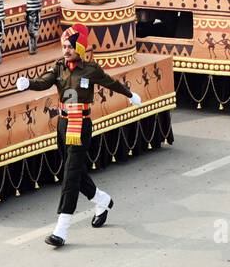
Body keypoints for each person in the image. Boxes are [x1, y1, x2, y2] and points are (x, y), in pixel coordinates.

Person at [14, 24, 141, 248]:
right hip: (63, 124)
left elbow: (111, 83)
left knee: (70, 178)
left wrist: (131, 95)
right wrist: (29, 84)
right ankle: (102, 200)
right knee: (74, 171)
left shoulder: (90, 70)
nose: (66, 51)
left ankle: (61, 230)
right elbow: (44, 82)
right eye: (63, 46)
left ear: (79, 48)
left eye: (70, 47)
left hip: (80, 125)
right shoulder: (59, 67)